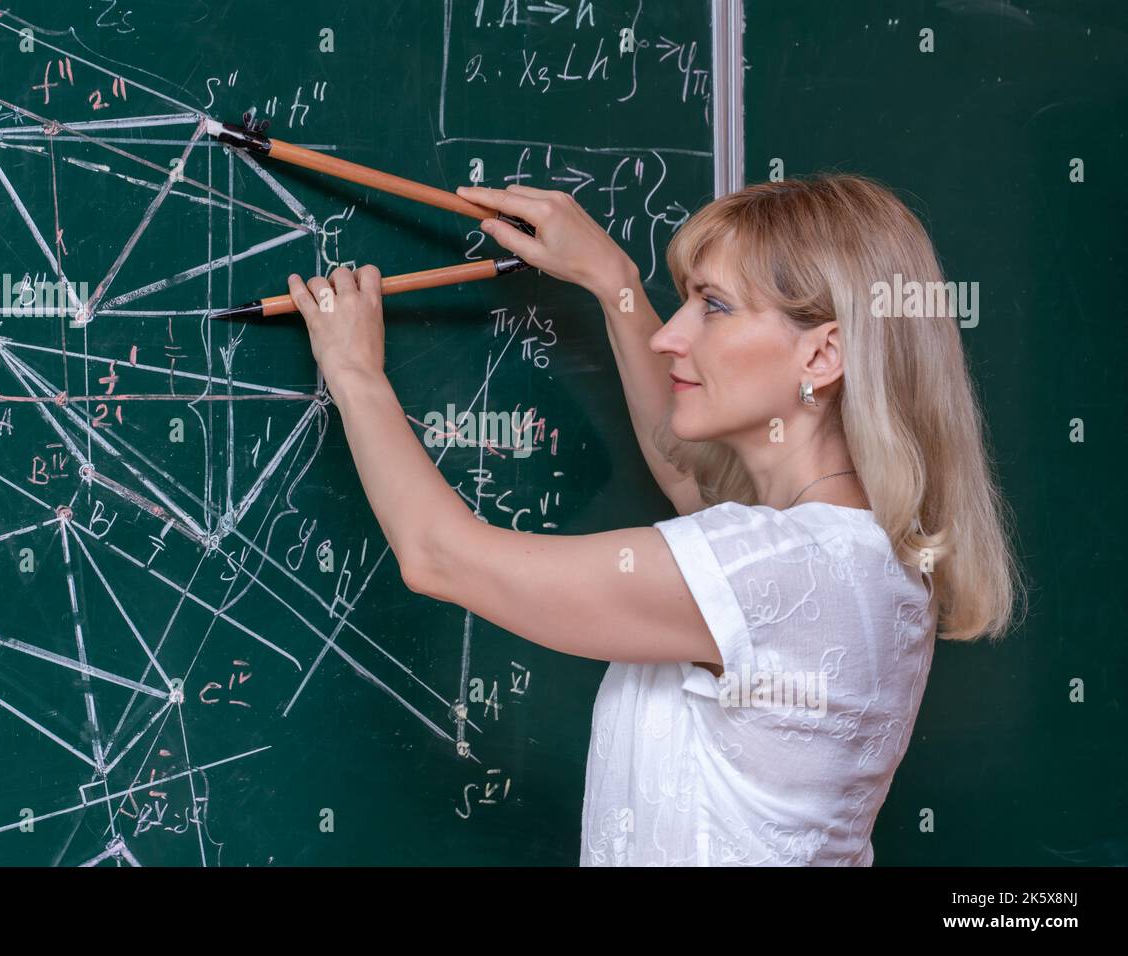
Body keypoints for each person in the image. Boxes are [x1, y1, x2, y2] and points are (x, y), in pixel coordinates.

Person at [284, 173, 1023, 866]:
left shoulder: (774, 568)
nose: (671, 336)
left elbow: (440, 557)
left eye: (715, 306)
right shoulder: (861, 555)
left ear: (823, 353)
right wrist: (613, 281)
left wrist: (355, 372)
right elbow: (684, 470)